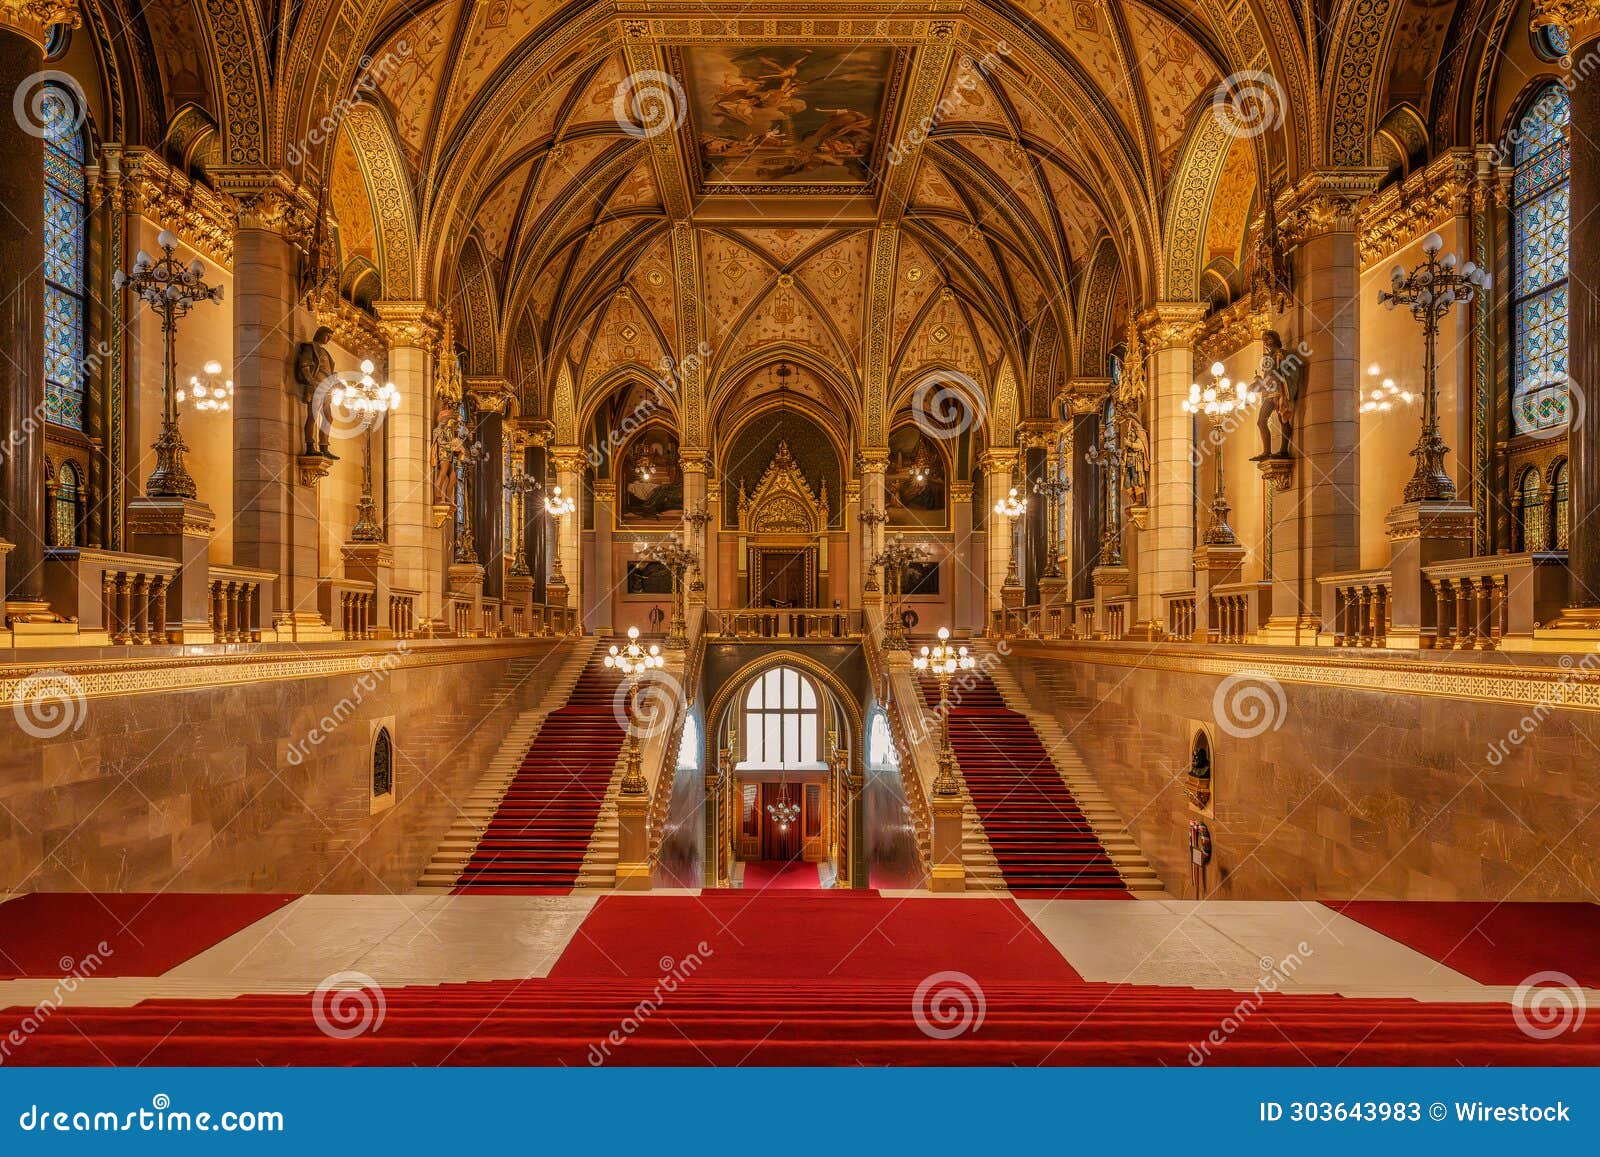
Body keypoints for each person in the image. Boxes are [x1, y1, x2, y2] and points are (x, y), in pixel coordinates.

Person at [1254, 330, 1303, 458]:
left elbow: (1285, 371)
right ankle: (1266, 451)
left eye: (1268, 339)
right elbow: (1268, 376)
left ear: (1275, 339)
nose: (1266, 342)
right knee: (1261, 421)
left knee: (1283, 419)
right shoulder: (1267, 358)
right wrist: (1259, 382)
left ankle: (1284, 450)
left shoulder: (1283, 354)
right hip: (1268, 392)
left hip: (1279, 390)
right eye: (1264, 340)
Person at [293, 327, 338, 458]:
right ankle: (310, 446)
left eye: (330, 337)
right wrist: (311, 381)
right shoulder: (311, 348)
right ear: (320, 334)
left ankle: (324, 446)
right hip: (316, 387)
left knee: (328, 417)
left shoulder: (325, 352)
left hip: (326, 388)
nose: (328, 339)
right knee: (312, 416)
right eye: (327, 336)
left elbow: (328, 371)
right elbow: (304, 365)